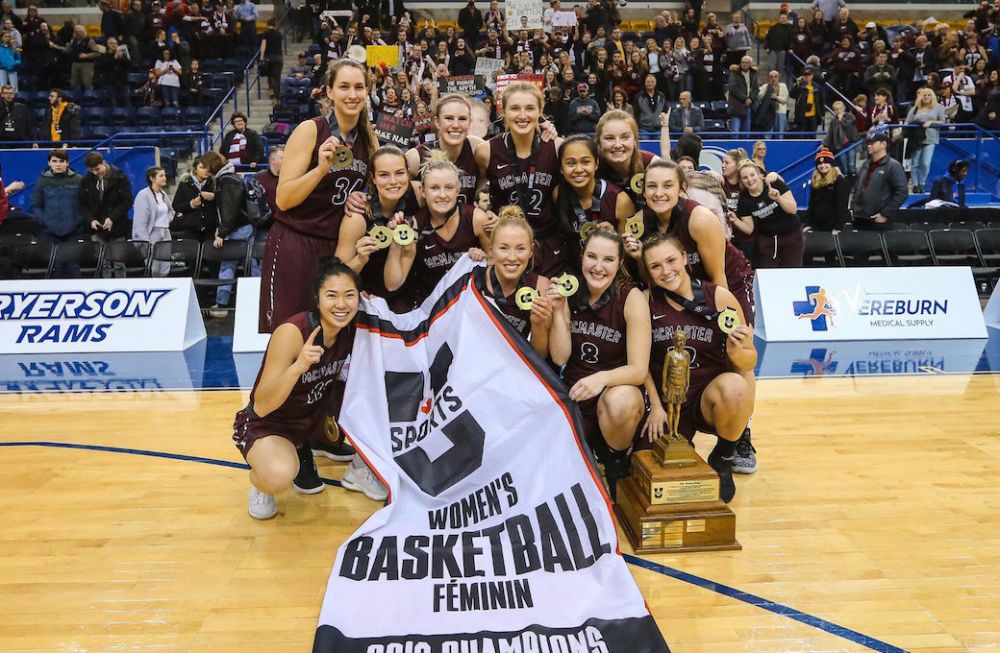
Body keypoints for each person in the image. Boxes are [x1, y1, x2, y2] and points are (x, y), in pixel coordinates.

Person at [233, 258, 386, 520]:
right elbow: (262, 405)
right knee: (278, 475)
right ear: (317, 299)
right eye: (332, 296)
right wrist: (297, 367)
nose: (341, 304)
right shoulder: (292, 332)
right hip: (271, 422)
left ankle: (357, 466)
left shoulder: (351, 329)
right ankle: (261, 485)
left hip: (311, 416)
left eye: (349, 295)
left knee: (385, 391)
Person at [261, 59, 377, 334]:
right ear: (330, 91)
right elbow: (283, 199)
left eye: (359, 87)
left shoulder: (368, 139)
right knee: (289, 335)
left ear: (367, 91)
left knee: (326, 336)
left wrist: (360, 198)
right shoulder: (310, 130)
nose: (352, 94)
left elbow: (369, 192)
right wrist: (321, 169)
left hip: (335, 248)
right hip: (295, 242)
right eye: (344, 87)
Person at [641, 233, 756, 503]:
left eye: (671, 260)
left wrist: (740, 350)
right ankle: (683, 442)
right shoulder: (644, 301)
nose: (666, 271)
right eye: (655, 266)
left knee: (737, 386)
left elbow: (749, 361)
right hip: (665, 401)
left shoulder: (718, 297)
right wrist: (656, 407)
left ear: (684, 258)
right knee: (653, 475)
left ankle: (724, 456)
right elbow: (639, 362)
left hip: (706, 398)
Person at [549, 229, 651, 501]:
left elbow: (639, 370)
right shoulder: (570, 291)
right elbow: (560, 357)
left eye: (608, 259)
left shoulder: (631, 298)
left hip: (612, 392)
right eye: (591, 257)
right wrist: (558, 312)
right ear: (582, 257)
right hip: (576, 392)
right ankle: (589, 456)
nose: (598, 266)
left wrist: (601, 379)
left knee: (622, 400)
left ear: (619, 264)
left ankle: (616, 460)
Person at [475, 82, 565, 277]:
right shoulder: (486, 151)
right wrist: (484, 214)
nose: (522, 116)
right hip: (507, 249)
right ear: (503, 112)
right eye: (515, 108)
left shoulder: (557, 147)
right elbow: (475, 192)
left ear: (540, 111)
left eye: (530, 108)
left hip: (548, 246)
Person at [384, 157, 490, 304]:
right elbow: (392, 284)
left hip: (470, 305)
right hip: (432, 309)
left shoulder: (475, 219)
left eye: (449, 187)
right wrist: (396, 242)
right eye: (434, 188)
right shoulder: (415, 225)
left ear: (458, 189)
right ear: (422, 191)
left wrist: (484, 258)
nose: (442, 195)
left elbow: (498, 263)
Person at [337, 145, 415, 310]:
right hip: (368, 304)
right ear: (372, 178)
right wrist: (359, 259)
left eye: (400, 173)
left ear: (408, 174)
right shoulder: (357, 217)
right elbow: (334, 276)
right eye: (384, 175)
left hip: (409, 302)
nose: (393, 181)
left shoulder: (418, 200)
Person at [472, 205, 556, 357]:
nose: (512, 257)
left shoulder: (541, 286)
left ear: (531, 251)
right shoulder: (472, 281)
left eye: (520, 249)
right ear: (491, 249)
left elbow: (540, 356)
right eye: (503, 248)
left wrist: (537, 324)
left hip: (514, 372)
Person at [404, 94, 484, 207]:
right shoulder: (416, 156)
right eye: (449, 118)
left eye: (462, 119)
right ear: (437, 122)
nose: (455, 125)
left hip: (468, 221)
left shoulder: (477, 148)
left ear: (469, 123)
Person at [205, 151, 254, 319]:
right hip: (243, 228)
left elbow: (230, 210)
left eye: (206, 166)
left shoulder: (226, 181)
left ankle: (222, 305)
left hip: (238, 229)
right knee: (253, 267)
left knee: (228, 266)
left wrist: (221, 232)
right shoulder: (229, 179)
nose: (204, 170)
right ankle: (257, 304)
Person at [732, 160, 803, 268]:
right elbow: (749, 228)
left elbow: (793, 209)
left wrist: (779, 199)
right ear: (741, 181)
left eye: (752, 175)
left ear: (759, 174)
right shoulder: (743, 199)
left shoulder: (774, 183)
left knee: (792, 274)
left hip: (791, 235)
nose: (750, 180)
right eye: (745, 177)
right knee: (768, 276)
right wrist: (735, 220)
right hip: (768, 240)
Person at [78, 152, 133, 278]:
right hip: (97, 229)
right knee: (104, 263)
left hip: (118, 227)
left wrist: (112, 218)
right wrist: (91, 220)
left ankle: (121, 289)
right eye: (92, 170)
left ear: (103, 163)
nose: (95, 173)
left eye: (97, 169)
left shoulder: (120, 178)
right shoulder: (86, 181)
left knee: (119, 263)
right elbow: (82, 204)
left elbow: (127, 201)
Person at [30, 149, 83, 278]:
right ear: (49, 163)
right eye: (54, 161)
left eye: (61, 161)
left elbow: (84, 204)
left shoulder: (79, 180)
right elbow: (35, 205)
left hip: (73, 232)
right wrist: (45, 220)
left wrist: (78, 221)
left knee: (73, 266)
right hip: (50, 232)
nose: (58, 164)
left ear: (67, 163)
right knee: (56, 266)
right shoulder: (41, 182)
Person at [596, 109, 657, 208]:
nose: (618, 145)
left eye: (625, 137)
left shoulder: (652, 164)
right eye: (609, 138)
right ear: (599, 142)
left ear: (635, 140)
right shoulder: (591, 168)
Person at [851, 130, 907, 231]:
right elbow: (857, 188)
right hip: (860, 218)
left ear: (883, 144)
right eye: (868, 143)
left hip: (878, 220)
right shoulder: (865, 165)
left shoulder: (893, 166)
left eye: (872, 143)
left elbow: (902, 192)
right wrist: (852, 207)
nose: (869, 146)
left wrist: (885, 213)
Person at [132, 166, 174, 277]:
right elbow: (140, 223)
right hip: (152, 234)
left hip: (165, 232)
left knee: (165, 266)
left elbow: (171, 211)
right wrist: (146, 241)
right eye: (161, 176)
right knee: (154, 267)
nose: (165, 178)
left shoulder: (163, 195)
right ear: (152, 178)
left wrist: (166, 221)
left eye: (164, 175)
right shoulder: (143, 195)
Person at [904, 87, 946, 194]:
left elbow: (943, 122)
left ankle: (922, 182)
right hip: (916, 139)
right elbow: (906, 122)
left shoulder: (938, 107)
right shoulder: (914, 109)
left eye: (928, 95)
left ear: (932, 97)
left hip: (930, 138)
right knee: (915, 162)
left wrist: (931, 122)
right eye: (924, 95)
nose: (926, 97)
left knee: (925, 163)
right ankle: (915, 184)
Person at [250, 146, 281, 276]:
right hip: (264, 229)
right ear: (273, 160)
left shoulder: (291, 178)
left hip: (285, 228)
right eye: (282, 158)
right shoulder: (258, 179)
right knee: (259, 264)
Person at [172, 154, 217, 242]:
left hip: (210, 229)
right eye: (202, 167)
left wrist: (214, 197)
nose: (206, 170)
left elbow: (222, 204)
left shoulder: (214, 183)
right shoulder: (184, 184)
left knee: (209, 255)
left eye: (208, 167)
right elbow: (176, 206)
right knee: (191, 255)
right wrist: (191, 204)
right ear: (195, 169)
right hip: (190, 229)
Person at [806, 148, 850, 232]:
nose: (822, 166)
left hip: (833, 227)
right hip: (817, 226)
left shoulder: (840, 181)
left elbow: (842, 206)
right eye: (820, 163)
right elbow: (811, 204)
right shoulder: (815, 181)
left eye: (826, 162)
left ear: (831, 164)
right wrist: (808, 224)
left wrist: (838, 227)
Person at [822, 100, 860, 178]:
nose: (838, 111)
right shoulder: (833, 121)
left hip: (850, 143)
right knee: (844, 166)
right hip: (840, 145)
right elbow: (830, 134)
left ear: (843, 108)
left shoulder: (850, 116)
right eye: (836, 109)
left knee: (851, 164)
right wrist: (825, 144)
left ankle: (854, 181)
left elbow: (847, 125)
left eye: (840, 109)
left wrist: (841, 119)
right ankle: (846, 181)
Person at [726, 55, 758, 135]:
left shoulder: (753, 74)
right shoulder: (735, 73)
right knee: (735, 133)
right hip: (736, 106)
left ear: (750, 64)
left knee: (746, 133)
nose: (744, 64)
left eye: (746, 63)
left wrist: (751, 99)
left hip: (748, 106)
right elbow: (733, 88)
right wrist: (745, 99)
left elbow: (756, 89)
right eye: (743, 62)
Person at [790, 66, 824, 133]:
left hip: (813, 116)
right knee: (802, 136)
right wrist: (797, 84)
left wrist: (822, 114)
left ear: (812, 76)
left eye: (809, 75)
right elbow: (792, 95)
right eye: (805, 75)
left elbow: (821, 101)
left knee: (812, 135)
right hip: (802, 115)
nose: (807, 77)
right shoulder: (799, 86)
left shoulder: (817, 87)